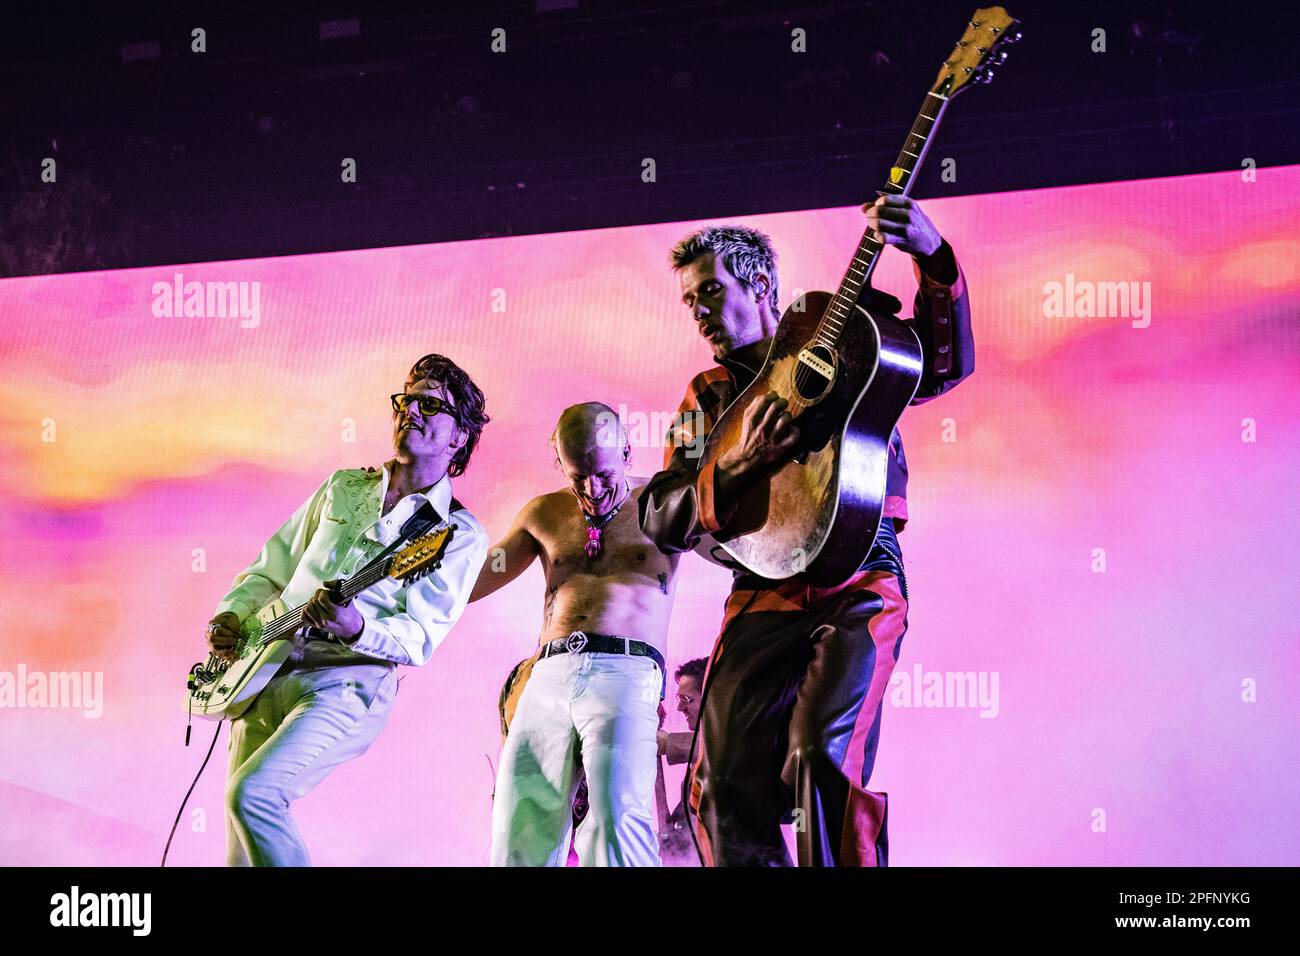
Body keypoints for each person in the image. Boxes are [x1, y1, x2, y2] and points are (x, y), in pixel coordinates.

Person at [639, 196, 974, 865]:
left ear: (761, 284)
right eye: (690, 301)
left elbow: (939, 364)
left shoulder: (847, 338)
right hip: (762, 587)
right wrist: (733, 465)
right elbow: (661, 511)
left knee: (822, 760)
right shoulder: (710, 395)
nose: (700, 311)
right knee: (717, 784)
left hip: (861, 578)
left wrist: (934, 257)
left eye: (711, 291)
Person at [205, 353, 490, 866]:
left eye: (431, 404)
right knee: (239, 854)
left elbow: (419, 637)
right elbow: (272, 566)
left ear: (458, 438)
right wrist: (231, 614)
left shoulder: (458, 534)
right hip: (265, 663)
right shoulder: (344, 485)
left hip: (346, 683)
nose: (412, 411)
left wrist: (356, 627)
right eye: (406, 399)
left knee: (252, 796)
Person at [472, 402, 682, 866]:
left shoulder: (664, 504)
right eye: (577, 475)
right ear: (559, 463)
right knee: (519, 818)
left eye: (603, 473)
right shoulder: (544, 512)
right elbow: (475, 580)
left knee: (615, 816)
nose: (592, 488)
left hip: (626, 667)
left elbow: (741, 545)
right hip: (549, 670)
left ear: (627, 451)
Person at [657, 656, 708, 864]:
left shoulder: (735, 740)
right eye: (679, 700)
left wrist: (669, 743)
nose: (680, 708)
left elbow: (721, 748)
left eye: (687, 700)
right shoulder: (696, 760)